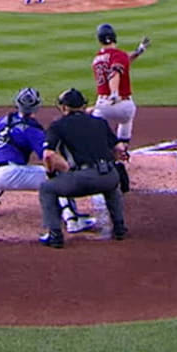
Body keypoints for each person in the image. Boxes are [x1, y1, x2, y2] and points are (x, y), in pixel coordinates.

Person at [0, 87, 95, 233]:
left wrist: (5, 135)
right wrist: (68, 169)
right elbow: (49, 157)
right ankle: (72, 219)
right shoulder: (32, 129)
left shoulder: (6, 119)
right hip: (9, 174)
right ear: (37, 106)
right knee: (58, 177)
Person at [37, 88, 130, 248]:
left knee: (47, 188)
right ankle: (119, 227)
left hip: (81, 181)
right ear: (83, 105)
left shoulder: (57, 125)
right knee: (111, 185)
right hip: (108, 176)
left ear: (64, 107)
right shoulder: (100, 122)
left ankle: (55, 235)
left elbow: (48, 155)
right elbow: (120, 148)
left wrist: (56, 171)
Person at [90, 23, 148, 195]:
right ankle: (122, 153)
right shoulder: (119, 55)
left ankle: (100, 162)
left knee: (97, 132)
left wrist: (137, 52)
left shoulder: (97, 58)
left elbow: (123, 60)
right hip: (122, 103)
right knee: (126, 120)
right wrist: (114, 92)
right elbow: (115, 71)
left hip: (102, 105)